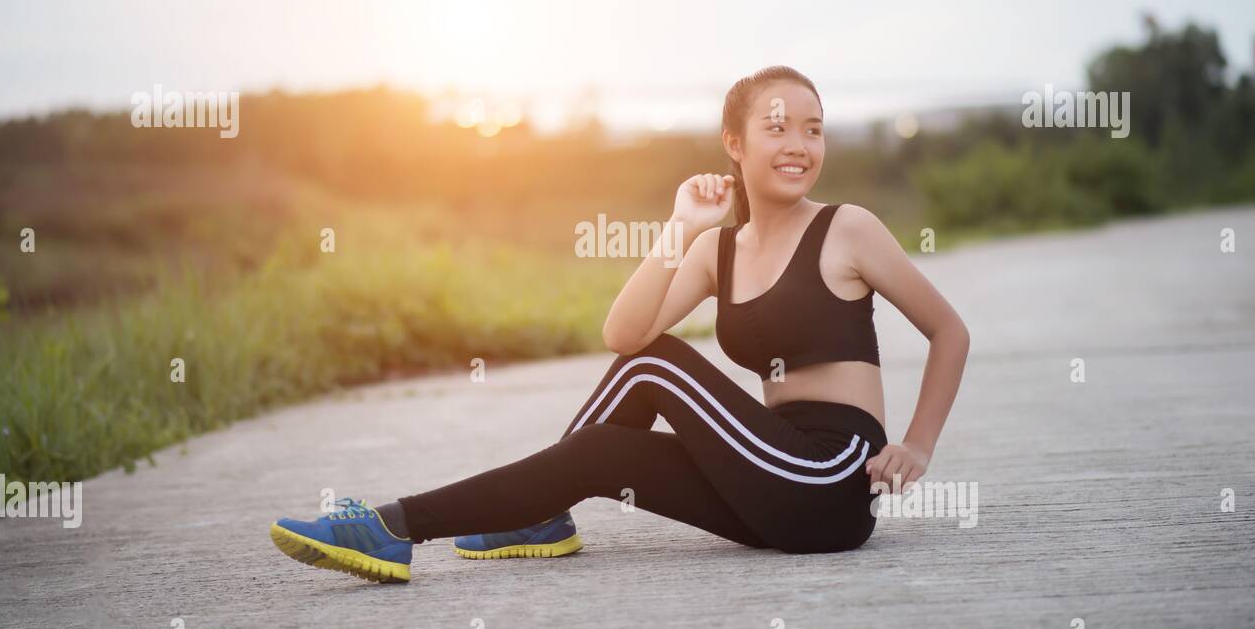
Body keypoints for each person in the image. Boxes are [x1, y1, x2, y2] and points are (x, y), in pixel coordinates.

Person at [270, 65, 971, 583]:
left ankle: (399, 523)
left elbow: (949, 331)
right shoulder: (715, 250)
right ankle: (509, 514)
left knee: (658, 364)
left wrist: (917, 443)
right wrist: (679, 226)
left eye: (813, 129)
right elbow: (623, 334)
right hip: (770, 486)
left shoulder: (848, 229)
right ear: (734, 141)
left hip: (831, 476)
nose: (799, 144)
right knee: (606, 450)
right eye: (778, 126)